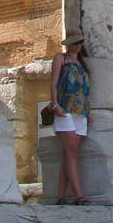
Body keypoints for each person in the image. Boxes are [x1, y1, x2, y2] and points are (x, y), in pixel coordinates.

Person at [50, 29, 92, 206]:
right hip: (64, 108)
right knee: (71, 152)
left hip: (80, 111)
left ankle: (60, 196)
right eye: (75, 42)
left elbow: (86, 91)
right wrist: (55, 105)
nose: (78, 45)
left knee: (69, 153)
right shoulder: (60, 58)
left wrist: (88, 112)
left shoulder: (83, 65)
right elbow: (53, 82)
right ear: (69, 44)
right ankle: (78, 195)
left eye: (80, 42)